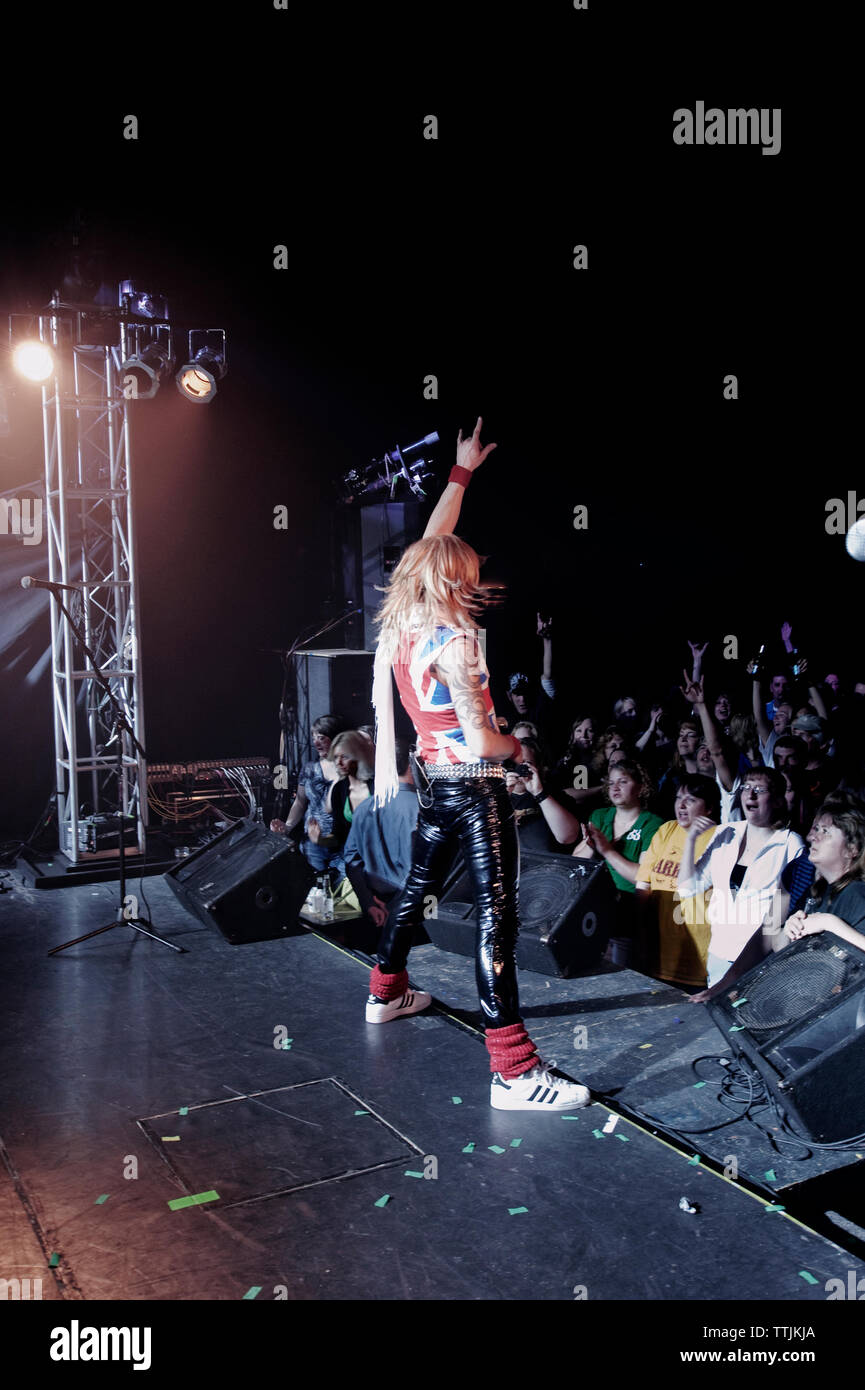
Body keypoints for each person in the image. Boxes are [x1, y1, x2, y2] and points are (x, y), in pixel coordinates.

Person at [367, 417, 591, 1113]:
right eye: (469, 570)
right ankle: (513, 1071)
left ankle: (385, 991)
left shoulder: (402, 625)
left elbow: (433, 540)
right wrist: (520, 750)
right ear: (454, 579)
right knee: (498, 915)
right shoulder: (458, 642)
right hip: (473, 782)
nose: (477, 576)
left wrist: (461, 474)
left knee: (417, 885)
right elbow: (483, 739)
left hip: (436, 779)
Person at [688, 795, 865, 1003]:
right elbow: (772, 935)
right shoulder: (813, 888)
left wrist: (828, 923)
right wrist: (788, 930)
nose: (811, 837)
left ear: (853, 849)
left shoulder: (858, 894)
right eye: (815, 828)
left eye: (825, 831)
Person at [677, 766, 804, 989]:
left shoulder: (790, 843)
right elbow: (687, 888)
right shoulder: (725, 833)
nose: (750, 794)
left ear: (776, 801)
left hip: (759, 957)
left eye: (759, 789)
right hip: (719, 953)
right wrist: (691, 840)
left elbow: (791, 906)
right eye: (745, 787)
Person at [571, 758, 664, 966]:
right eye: (611, 782)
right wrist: (591, 845)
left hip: (630, 910)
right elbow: (576, 862)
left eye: (623, 781)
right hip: (596, 905)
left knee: (619, 970)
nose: (615, 787)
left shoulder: (653, 824)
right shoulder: (600, 815)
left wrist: (606, 850)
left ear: (641, 787)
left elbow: (643, 876)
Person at [635, 774, 720, 987]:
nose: (681, 805)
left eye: (690, 800)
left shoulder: (721, 838)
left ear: (709, 808)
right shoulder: (667, 829)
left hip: (697, 954)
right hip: (658, 949)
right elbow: (644, 883)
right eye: (678, 798)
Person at [343, 736, 419, 927]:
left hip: (378, 905)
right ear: (412, 764)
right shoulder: (422, 809)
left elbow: (352, 862)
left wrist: (368, 902)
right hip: (414, 908)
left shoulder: (363, 808)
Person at [270, 714, 346, 871]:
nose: (316, 742)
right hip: (313, 846)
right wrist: (288, 827)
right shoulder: (309, 769)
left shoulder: (348, 769)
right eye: (314, 738)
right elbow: (300, 802)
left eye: (322, 738)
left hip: (343, 845)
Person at [308, 730, 374, 875]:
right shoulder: (339, 790)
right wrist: (320, 840)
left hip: (380, 865)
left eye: (345, 757)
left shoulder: (376, 786)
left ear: (359, 756)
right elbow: (338, 836)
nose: (339, 762)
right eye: (336, 757)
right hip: (355, 865)